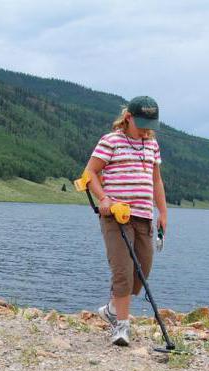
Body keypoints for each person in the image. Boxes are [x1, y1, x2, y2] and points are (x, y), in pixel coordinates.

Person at [84, 96, 168, 346]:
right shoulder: (111, 141)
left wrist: (162, 212)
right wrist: (104, 198)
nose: (145, 129)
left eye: (149, 124)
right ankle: (122, 327)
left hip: (144, 215)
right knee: (122, 271)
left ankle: (111, 308)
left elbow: (156, 181)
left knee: (141, 272)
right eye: (140, 123)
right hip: (117, 216)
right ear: (128, 118)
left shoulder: (152, 144)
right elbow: (90, 173)